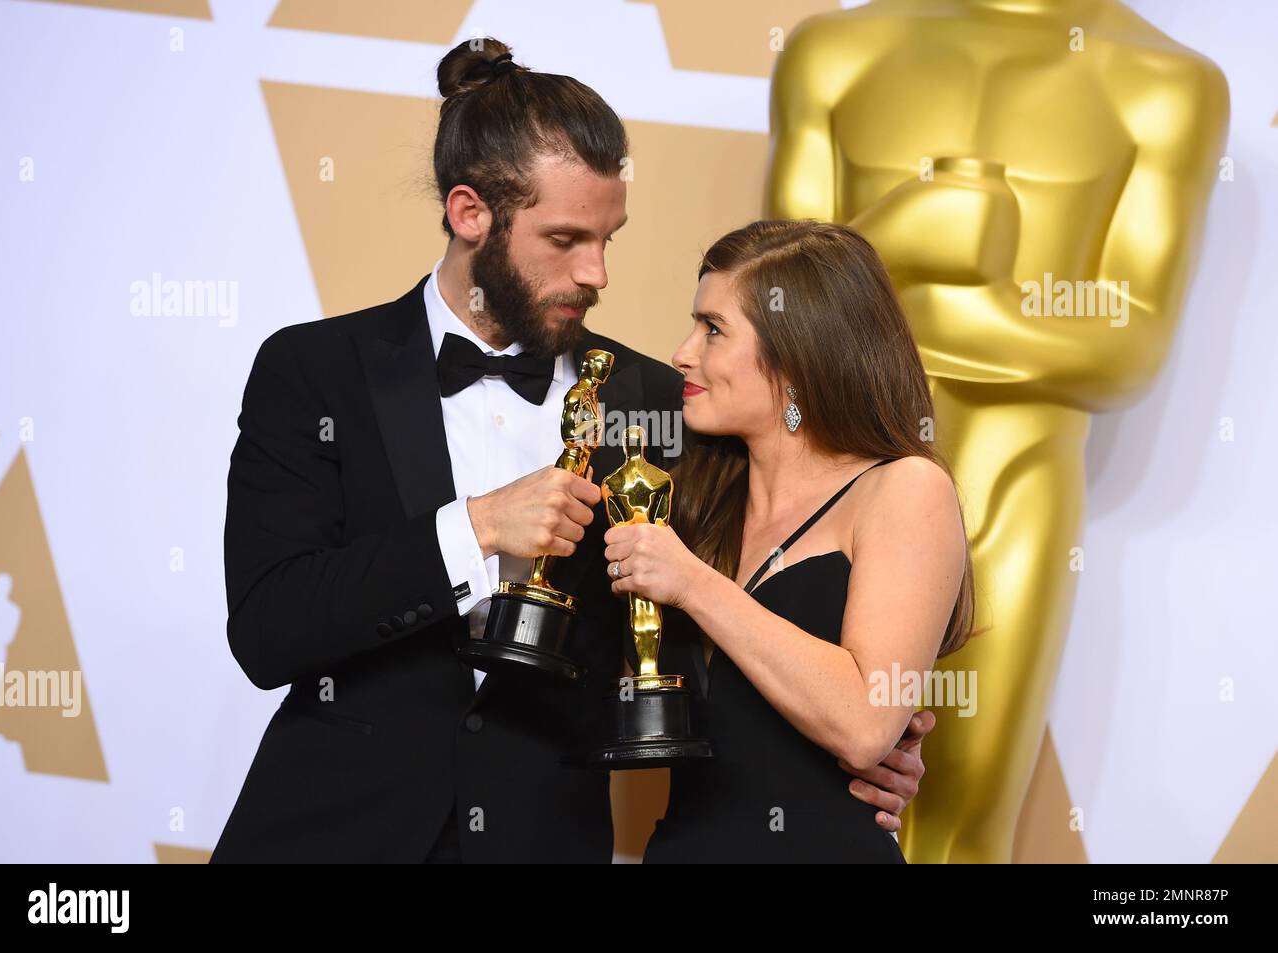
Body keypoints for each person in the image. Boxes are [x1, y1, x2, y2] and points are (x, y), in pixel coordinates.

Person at [211, 40, 930, 864]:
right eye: (564, 240)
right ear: (470, 212)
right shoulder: (313, 370)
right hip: (325, 838)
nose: (596, 274)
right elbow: (269, 631)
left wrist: (866, 743)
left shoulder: (663, 401)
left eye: (608, 239)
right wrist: (475, 527)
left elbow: (709, 626)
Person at [603, 220, 974, 862]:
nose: (682, 353)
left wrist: (692, 583)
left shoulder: (904, 490)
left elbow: (863, 725)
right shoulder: (692, 496)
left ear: (795, 357)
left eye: (713, 329)